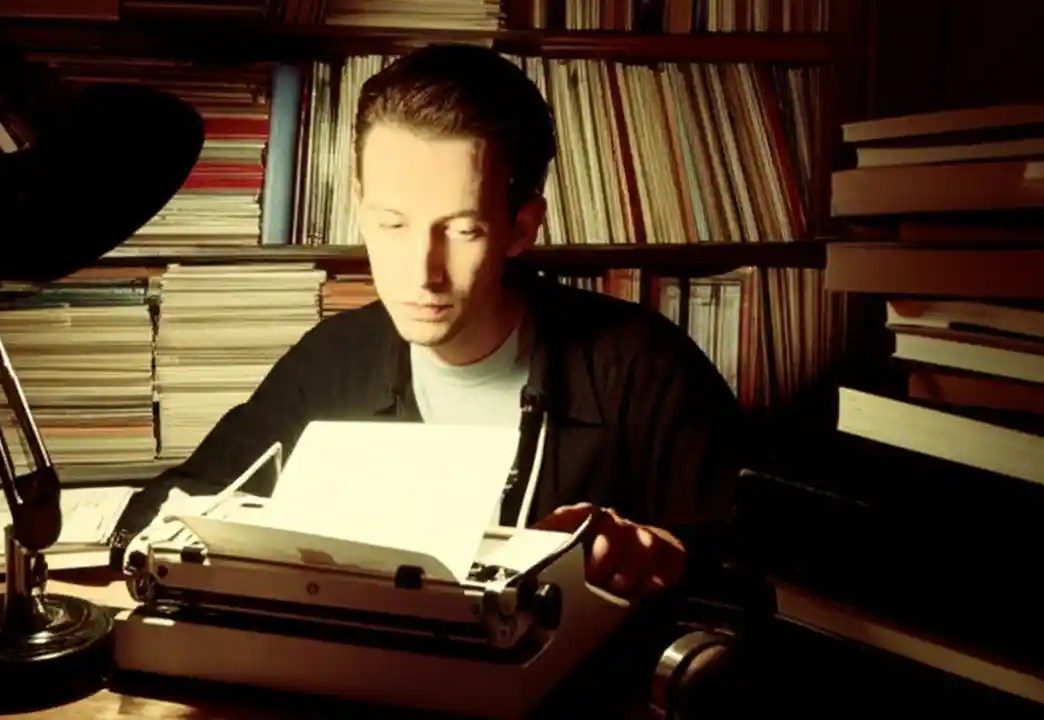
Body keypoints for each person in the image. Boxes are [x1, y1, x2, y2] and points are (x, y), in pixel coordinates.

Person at [114, 43, 747, 614]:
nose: (423, 272)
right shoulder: (330, 361)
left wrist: (667, 557)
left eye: (463, 229)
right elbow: (159, 515)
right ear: (359, 205)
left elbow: (760, 585)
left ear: (522, 227)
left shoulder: (646, 368)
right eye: (392, 224)